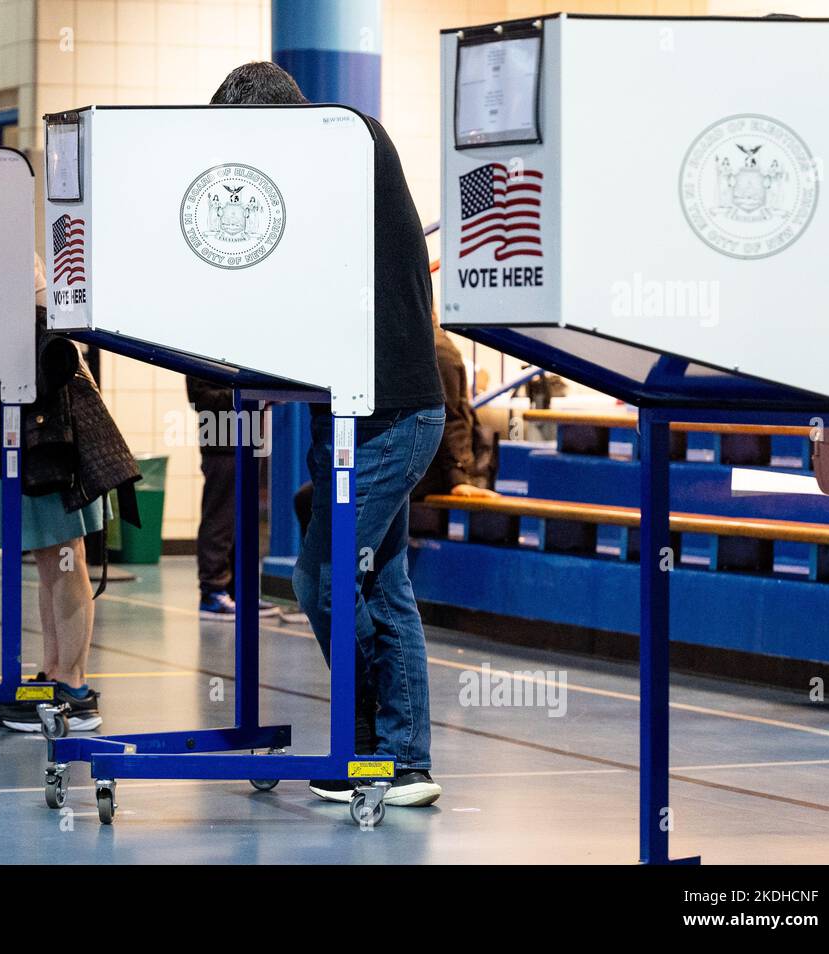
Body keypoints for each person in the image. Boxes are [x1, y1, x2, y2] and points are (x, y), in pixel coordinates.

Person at [211, 61, 445, 808]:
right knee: (384, 582)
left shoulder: (349, 143)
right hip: (361, 415)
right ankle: (389, 755)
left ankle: (389, 753)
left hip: (392, 415)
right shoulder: (334, 157)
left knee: (324, 579)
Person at [0, 256, 141, 732]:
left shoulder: (6, 238)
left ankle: (75, 689)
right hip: (26, 399)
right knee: (51, 557)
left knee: (65, 554)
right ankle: (55, 674)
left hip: (48, 407)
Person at [185, 375, 280, 621]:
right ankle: (213, 592)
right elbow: (201, 398)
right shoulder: (200, 350)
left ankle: (239, 591)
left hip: (248, 439)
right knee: (221, 520)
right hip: (221, 442)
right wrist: (252, 392)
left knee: (244, 523)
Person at [410, 315, 500, 501]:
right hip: (425, 471)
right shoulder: (435, 347)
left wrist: (457, 476)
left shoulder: (434, 348)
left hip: (425, 472)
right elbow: (450, 414)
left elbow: (448, 414)